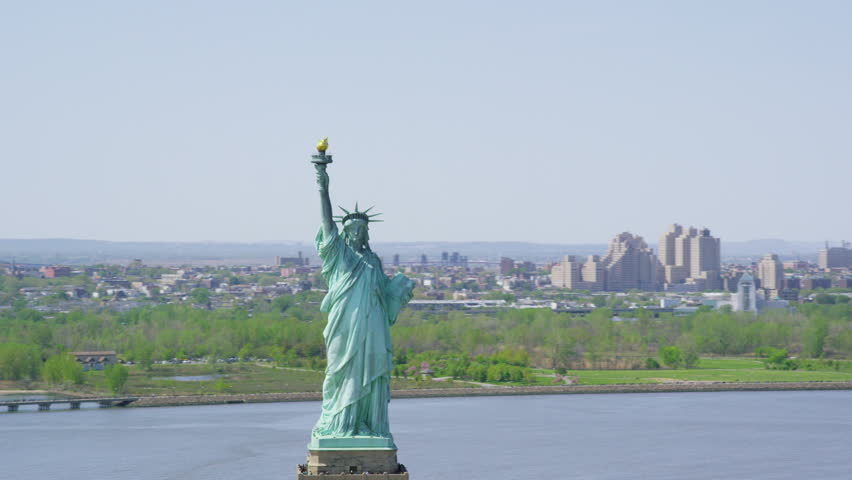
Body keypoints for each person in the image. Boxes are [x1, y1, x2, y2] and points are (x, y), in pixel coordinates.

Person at [311, 162, 414, 440]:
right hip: (345, 326)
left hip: (373, 326)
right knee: (340, 373)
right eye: (352, 228)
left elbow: (384, 297)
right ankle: (340, 426)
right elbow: (326, 222)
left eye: (361, 229)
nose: (357, 233)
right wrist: (323, 185)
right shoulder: (340, 257)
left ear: (366, 233)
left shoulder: (373, 260)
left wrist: (399, 291)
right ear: (344, 233)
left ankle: (368, 425)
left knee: (372, 371)